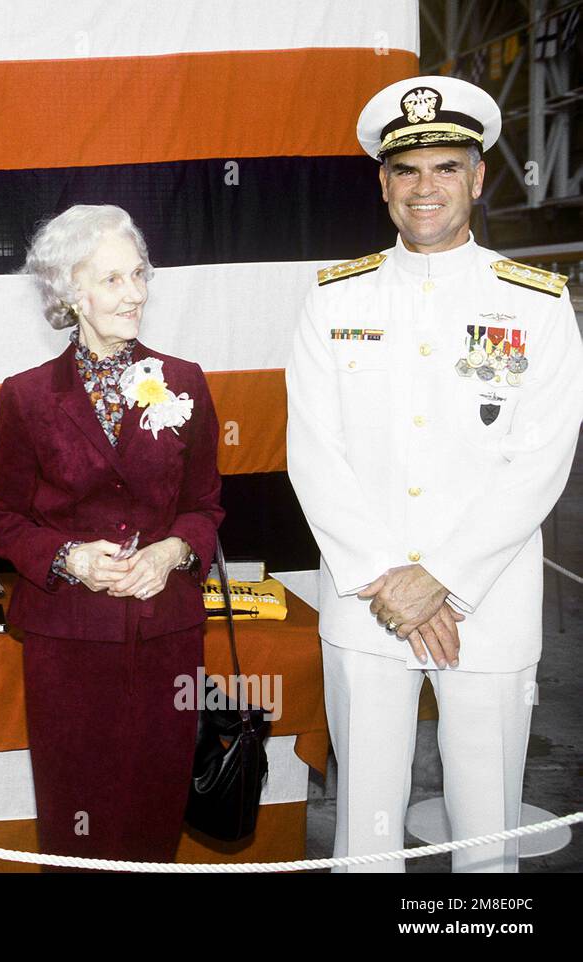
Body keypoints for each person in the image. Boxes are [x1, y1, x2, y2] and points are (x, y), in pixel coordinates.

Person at [286, 76, 583, 872]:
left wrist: (440, 579)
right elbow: (314, 453)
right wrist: (393, 583)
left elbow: (540, 459)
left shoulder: (538, 305)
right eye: (408, 171)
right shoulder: (330, 300)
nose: (426, 188)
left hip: (484, 608)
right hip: (367, 606)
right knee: (366, 835)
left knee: (488, 836)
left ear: (478, 178)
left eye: (446, 167)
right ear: (383, 182)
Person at [0, 204, 224, 866]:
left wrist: (174, 552)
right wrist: (67, 557)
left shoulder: (185, 382)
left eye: (139, 276)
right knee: (74, 818)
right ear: (70, 291)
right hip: (66, 642)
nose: (135, 294)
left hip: (166, 635)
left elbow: (206, 505)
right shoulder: (25, 397)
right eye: (112, 280)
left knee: (154, 814)